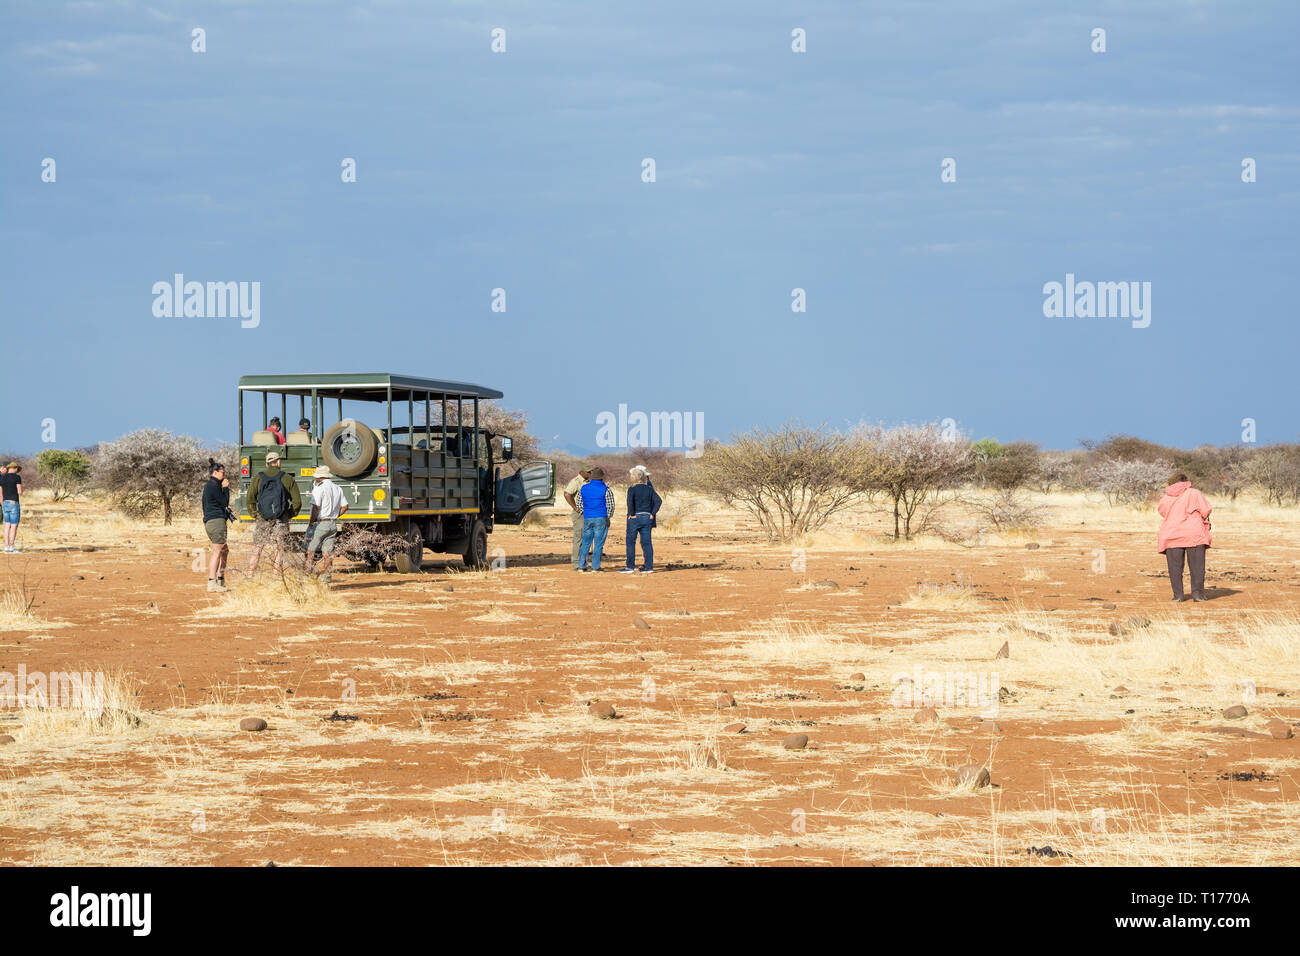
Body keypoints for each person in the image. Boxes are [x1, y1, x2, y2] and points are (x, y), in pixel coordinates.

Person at [1157, 471, 1212, 603]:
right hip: (1194, 534)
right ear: (1186, 481)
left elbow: (1162, 511)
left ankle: (1178, 596)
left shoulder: (1166, 497)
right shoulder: (1194, 493)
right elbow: (1206, 510)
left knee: (1174, 568)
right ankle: (1198, 595)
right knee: (1197, 567)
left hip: (1171, 534)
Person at [246, 450, 301, 574]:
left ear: (267, 464)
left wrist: (256, 515)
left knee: (258, 547)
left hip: (263, 518)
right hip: (281, 518)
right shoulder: (287, 478)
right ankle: (276, 576)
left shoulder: (258, 478)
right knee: (279, 547)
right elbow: (297, 502)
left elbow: (250, 500)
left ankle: (250, 574)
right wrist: (288, 514)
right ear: (278, 462)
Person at [304, 465, 348, 584]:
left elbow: (315, 507)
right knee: (327, 552)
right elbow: (345, 506)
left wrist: (311, 523)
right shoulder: (338, 488)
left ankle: (307, 575)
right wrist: (334, 516)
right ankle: (327, 577)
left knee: (310, 550)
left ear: (320, 477)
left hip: (320, 523)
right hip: (332, 524)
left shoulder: (319, 488)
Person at [201, 459, 236, 591]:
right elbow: (224, 502)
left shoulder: (211, 485)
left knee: (224, 550)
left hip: (212, 522)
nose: (224, 475)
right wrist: (225, 488)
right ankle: (212, 582)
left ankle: (220, 579)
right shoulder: (213, 486)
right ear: (215, 473)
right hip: (216, 521)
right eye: (222, 472)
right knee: (217, 551)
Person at [622, 466, 663, 574]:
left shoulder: (632, 489)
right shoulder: (649, 489)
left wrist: (632, 514)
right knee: (647, 543)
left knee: (631, 542)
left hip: (634, 518)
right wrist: (652, 513)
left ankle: (630, 567)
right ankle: (648, 567)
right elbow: (658, 501)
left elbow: (630, 502)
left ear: (633, 477)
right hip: (647, 518)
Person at [576, 467, 615, 572]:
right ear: (602, 477)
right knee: (598, 544)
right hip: (601, 517)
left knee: (585, 543)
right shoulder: (606, 489)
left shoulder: (584, 488)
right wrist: (608, 517)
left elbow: (579, 504)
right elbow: (611, 506)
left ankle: (581, 566)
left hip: (588, 517)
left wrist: (585, 512)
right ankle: (595, 567)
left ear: (591, 477)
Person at [563, 463, 593, 570]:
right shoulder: (576, 481)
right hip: (579, 514)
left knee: (587, 539)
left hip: (588, 513)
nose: (589, 473)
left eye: (590, 472)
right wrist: (575, 508)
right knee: (579, 538)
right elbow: (567, 494)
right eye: (588, 472)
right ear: (581, 472)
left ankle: (583, 563)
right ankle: (576, 563)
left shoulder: (588, 482)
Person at [0, 463, 22, 554]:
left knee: (7, 525)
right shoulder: (17, 477)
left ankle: (6, 547)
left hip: (5, 503)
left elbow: (1, 493)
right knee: (13, 525)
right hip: (13, 503)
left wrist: (2, 503)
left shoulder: (2, 478)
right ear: (15, 468)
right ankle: (11, 547)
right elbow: (19, 491)